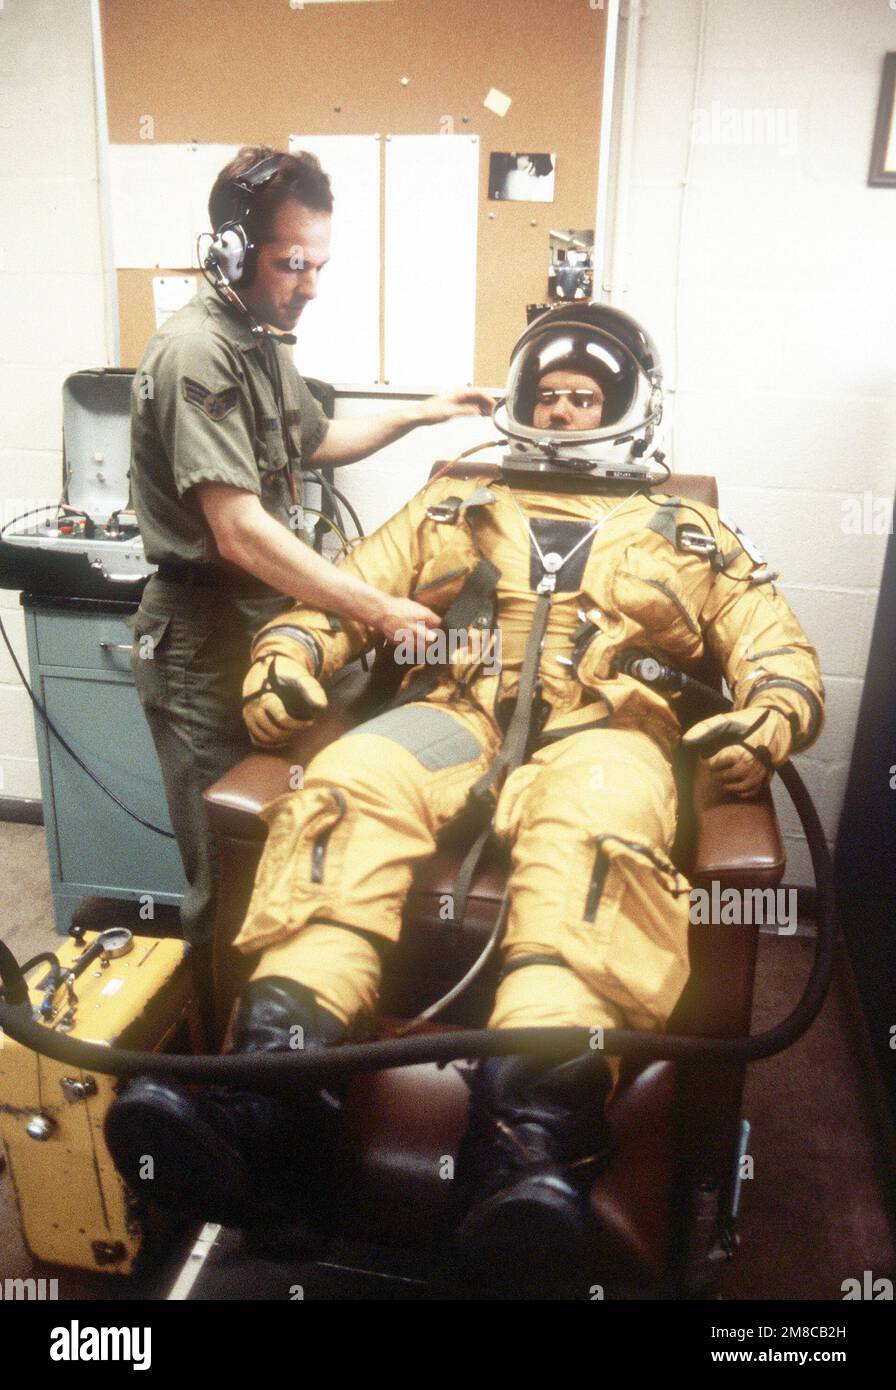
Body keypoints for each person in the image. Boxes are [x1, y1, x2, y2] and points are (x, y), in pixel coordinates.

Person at [109, 301, 824, 1294]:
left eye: (583, 397)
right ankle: (270, 1083)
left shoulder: (687, 530)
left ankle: (527, 1141)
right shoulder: (451, 503)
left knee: (595, 836)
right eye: (547, 395)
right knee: (351, 782)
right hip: (458, 713)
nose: (564, 410)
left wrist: (773, 710)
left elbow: (770, 641)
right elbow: (342, 592)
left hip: (603, 733)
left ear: (621, 410)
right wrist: (287, 654)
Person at [128, 145, 492, 964]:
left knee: (310, 834)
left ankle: (298, 1036)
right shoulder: (198, 353)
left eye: (319, 266)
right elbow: (240, 529)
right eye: (293, 264)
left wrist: (422, 416)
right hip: (205, 638)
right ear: (228, 249)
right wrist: (372, 606)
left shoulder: (260, 339)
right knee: (235, 870)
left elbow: (316, 440)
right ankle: (224, 1076)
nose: (311, 288)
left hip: (267, 619)